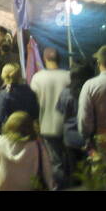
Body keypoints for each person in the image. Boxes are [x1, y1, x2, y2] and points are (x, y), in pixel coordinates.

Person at [29, 47, 69, 181]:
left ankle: (58, 184)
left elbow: (33, 103)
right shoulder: (68, 76)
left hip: (46, 125)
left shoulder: (37, 78)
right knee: (69, 159)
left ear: (45, 59)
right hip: (67, 126)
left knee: (55, 161)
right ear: (60, 58)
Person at [0, 111, 54, 190]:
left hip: (4, 187)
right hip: (30, 187)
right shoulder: (36, 145)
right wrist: (50, 186)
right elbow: (46, 168)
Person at [78, 45, 106, 163]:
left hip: (103, 138)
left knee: (104, 177)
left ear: (99, 63)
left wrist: (87, 138)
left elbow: (85, 117)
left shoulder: (91, 85)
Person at [0, 62, 40, 134]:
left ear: (4, 75)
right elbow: (35, 112)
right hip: (28, 129)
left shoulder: (4, 94)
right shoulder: (27, 89)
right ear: (19, 75)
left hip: (13, 132)